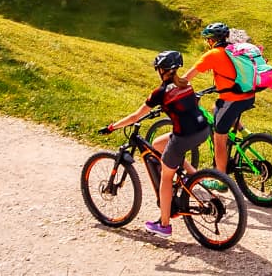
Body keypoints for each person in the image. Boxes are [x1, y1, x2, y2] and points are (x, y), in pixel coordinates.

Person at [101, 50, 210, 238]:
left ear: (161, 70)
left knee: (166, 178)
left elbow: (136, 116)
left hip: (184, 136)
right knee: (159, 144)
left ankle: (164, 225)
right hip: (203, 130)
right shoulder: (186, 83)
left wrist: (112, 127)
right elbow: (183, 105)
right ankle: (193, 177)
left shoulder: (160, 93)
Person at [180, 22, 256, 179]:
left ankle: (221, 179)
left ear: (211, 40)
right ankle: (245, 133)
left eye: (208, 40)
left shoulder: (212, 54)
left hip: (233, 100)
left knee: (219, 138)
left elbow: (185, 79)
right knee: (217, 107)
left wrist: (169, 87)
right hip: (249, 96)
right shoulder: (233, 50)